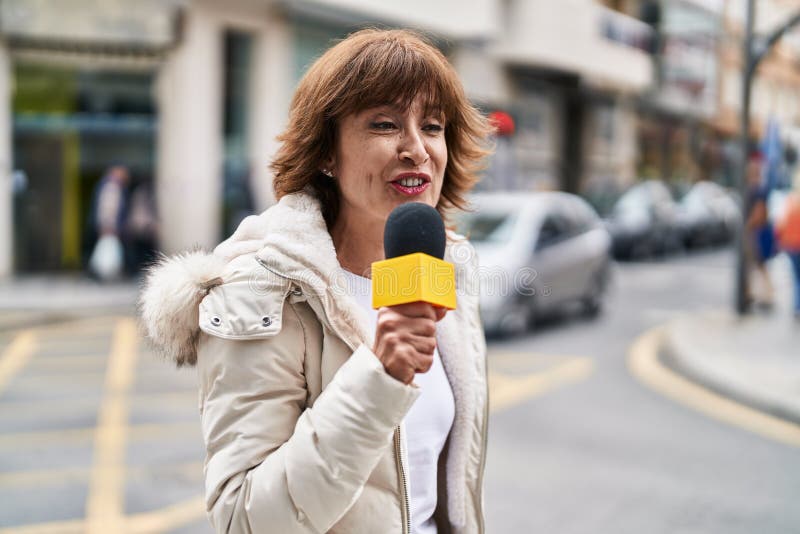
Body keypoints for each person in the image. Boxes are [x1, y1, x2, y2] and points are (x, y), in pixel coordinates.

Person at [140, 29, 492, 533]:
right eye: (385, 124)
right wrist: (379, 379)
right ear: (327, 153)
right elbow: (243, 520)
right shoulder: (258, 294)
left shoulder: (446, 271)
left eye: (432, 126)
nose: (416, 148)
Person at [743, 152, 775, 310]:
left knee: (758, 264)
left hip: (755, 231)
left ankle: (762, 295)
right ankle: (758, 294)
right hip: (756, 230)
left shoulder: (757, 189)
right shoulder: (756, 187)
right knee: (757, 265)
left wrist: (748, 226)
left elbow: (760, 211)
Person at [776, 189, 800, 319]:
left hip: (790, 245)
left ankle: (797, 307)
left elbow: (780, 225)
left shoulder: (789, 202)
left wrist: (779, 242)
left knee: (796, 277)